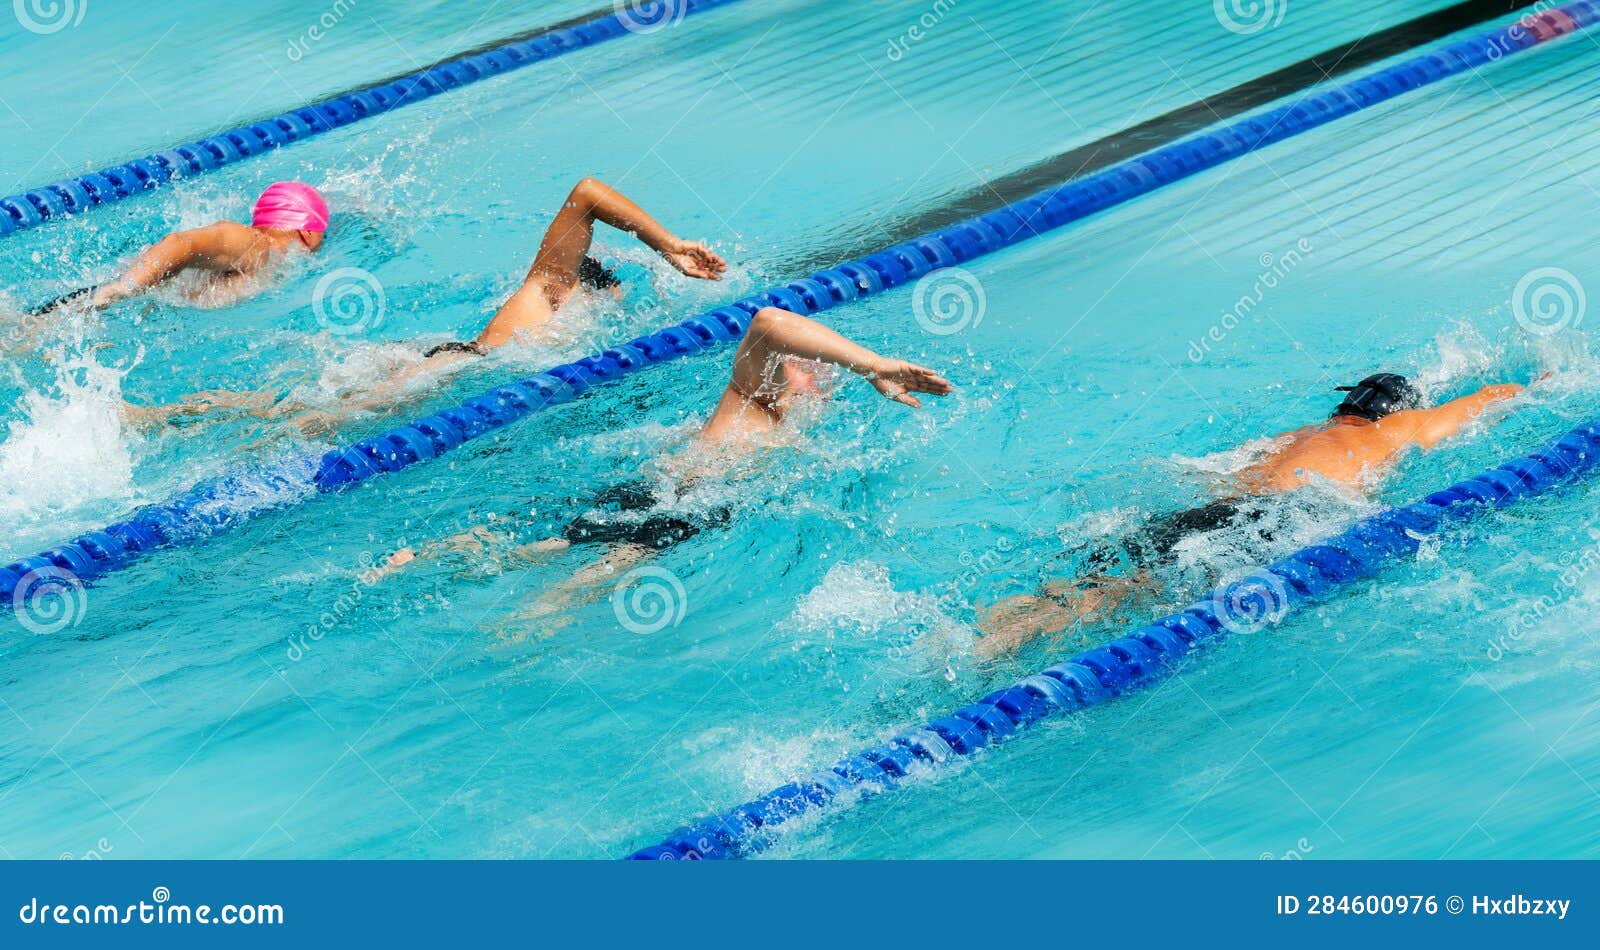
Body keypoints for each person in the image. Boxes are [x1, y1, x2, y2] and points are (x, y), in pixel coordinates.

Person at [383, 306, 954, 636]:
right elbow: (769, 320)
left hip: (682, 496)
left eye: (819, 373)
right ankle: (494, 631)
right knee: (577, 572)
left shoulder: (787, 429)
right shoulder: (757, 400)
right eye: (807, 368)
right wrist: (872, 364)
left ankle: (430, 569)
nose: (816, 378)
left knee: (550, 551)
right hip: (687, 497)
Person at [977, 373, 1526, 656]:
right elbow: (1483, 402)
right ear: (1403, 409)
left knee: (1110, 579)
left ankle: (997, 625)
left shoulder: (1294, 437)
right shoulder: (1399, 429)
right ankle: (1012, 642)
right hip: (1283, 515)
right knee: (1138, 593)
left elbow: (1207, 471)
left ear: (1346, 405)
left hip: (1213, 508)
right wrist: (1541, 381)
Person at [126, 177, 726, 432]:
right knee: (321, 421)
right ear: (590, 283)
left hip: (448, 355)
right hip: (457, 362)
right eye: (614, 290)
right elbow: (588, 193)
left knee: (300, 402)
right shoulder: (550, 291)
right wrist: (669, 246)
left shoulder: (564, 314)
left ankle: (166, 416)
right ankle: (166, 423)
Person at [30, 181, 331, 316]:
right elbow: (180, 243)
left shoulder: (268, 255)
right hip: (118, 298)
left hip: (132, 304)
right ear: (308, 232)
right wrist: (123, 288)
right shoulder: (258, 247)